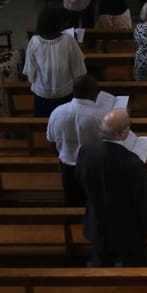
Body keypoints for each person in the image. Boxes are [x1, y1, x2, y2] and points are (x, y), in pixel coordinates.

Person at [75, 109, 147, 266]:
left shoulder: (85, 153)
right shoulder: (132, 162)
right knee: (135, 269)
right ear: (123, 134)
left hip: (99, 224)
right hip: (128, 230)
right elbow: (143, 198)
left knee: (103, 265)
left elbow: (81, 181)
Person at [46, 73, 103, 205]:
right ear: (94, 93)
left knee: (72, 202)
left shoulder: (57, 112)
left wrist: (62, 156)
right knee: (94, 204)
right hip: (93, 168)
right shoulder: (99, 116)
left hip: (67, 167)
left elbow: (51, 141)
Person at [24, 6, 87, 115]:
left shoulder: (34, 42)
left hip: (42, 94)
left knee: (42, 125)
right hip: (65, 94)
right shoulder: (68, 40)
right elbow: (79, 71)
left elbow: (30, 72)